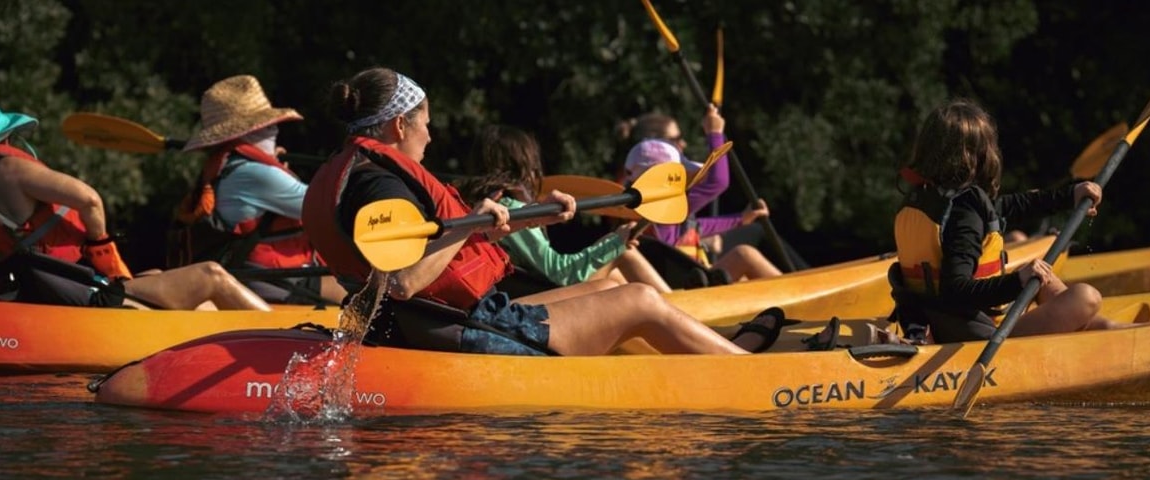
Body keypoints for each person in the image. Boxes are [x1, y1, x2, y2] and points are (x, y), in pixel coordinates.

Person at [301, 67, 788, 356]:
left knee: (608, 286)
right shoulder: (379, 181)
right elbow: (405, 279)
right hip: (460, 334)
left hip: (448, 320)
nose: (431, 135)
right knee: (638, 297)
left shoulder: (358, 170)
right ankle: (744, 368)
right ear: (401, 124)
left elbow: (426, 256)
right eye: (426, 125)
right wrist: (465, 231)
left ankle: (710, 342)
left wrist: (533, 218)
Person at [0, 96, 270, 310]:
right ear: (3, 133)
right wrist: (101, 249)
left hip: (52, 295)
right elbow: (89, 200)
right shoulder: (8, 168)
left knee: (160, 277)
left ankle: (227, 337)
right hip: (91, 299)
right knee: (211, 275)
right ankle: (284, 339)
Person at [891, 98, 1130, 344]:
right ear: (979, 155)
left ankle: (1113, 330)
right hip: (983, 337)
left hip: (943, 322)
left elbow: (1009, 207)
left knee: (1046, 281)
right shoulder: (964, 214)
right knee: (1085, 297)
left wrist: (1070, 195)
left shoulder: (923, 202)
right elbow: (956, 293)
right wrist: (1018, 281)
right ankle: (1113, 335)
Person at [177, 74, 346, 305]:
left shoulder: (228, 166)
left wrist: (277, 169)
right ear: (251, 131)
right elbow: (329, 206)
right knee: (359, 289)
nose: (274, 130)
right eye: (267, 125)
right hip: (269, 281)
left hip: (253, 273)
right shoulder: (255, 174)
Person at [457, 123, 673, 294]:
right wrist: (616, 243)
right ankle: (686, 311)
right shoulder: (509, 210)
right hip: (543, 298)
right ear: (523, 167)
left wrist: (613, 241)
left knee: (617, 278)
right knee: (625, 255)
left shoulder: (480, 207)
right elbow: (560, 273)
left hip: (533, 291)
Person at [623, 139, 782, 281]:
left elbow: (695, 227)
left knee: (744, 277)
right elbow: (718, 182)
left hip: (693, 282)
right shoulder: (659, 209)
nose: (687, 183)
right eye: (680, 177)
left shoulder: (663, 213)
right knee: (744, 255)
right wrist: (715, 131)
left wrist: (741, 219)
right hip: (688, 292)